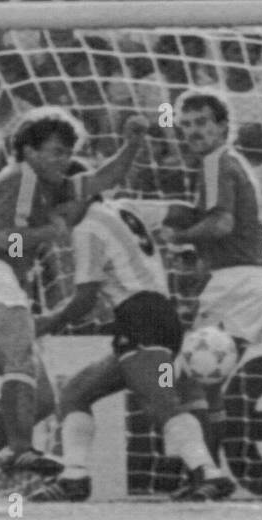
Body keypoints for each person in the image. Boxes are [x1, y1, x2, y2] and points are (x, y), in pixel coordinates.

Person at [0, 108, 146, 506]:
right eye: (54, 152)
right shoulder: (21, 177)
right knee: (21, 365)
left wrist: (132, 145)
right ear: (28, 150)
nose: (62, 161)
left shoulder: (50, 185)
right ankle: (21, 448)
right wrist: (51, 232)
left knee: (42, 400)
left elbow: (104, 179)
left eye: (67, 154)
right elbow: (4, 237)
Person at [29, 188, 232, 502]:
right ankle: (75, 476)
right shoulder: (124, 207)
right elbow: (178, 210)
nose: (59, 214)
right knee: (75, 393)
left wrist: (49, 322)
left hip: (141, 317)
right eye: (53, 208)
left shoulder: (87, 230)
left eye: (62, 205)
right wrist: (199, 222)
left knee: (160, 398)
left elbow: (85, 299)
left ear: (83, 195)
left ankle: (208, 472)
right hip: (159, 317)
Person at [158, 89, 262, 499]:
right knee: (204, 383)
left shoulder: (214, 162)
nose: (193, 132)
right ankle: (208, 475)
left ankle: (204, 474)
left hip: (237, 282)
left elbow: (222, 225)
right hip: (249, 281)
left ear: (223, 125)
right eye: (186, 125)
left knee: (188, 379)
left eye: (202, 123)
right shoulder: (235, 164)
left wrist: (180, 239)